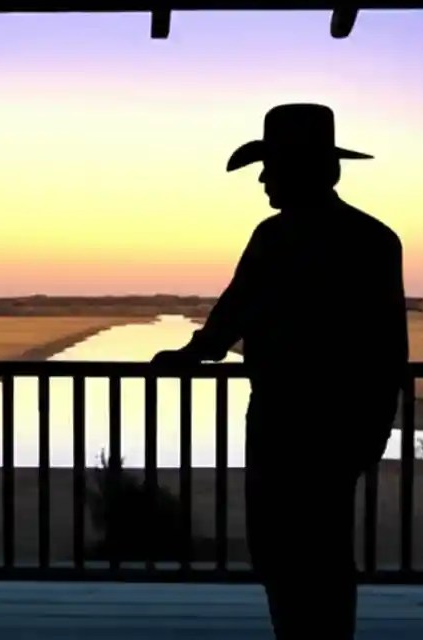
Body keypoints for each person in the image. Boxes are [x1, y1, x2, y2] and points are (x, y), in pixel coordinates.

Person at [151, 103, 408, 639]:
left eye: (273, 166)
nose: (264, 178)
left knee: (303, 548)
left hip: (313, 421)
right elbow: (235, 309)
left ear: (314, 170)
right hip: (300, 418)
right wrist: (198, 350)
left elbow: (383, 345)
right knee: (295, 546)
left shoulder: (335, 239)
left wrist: (197, 352)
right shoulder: (366, 237)